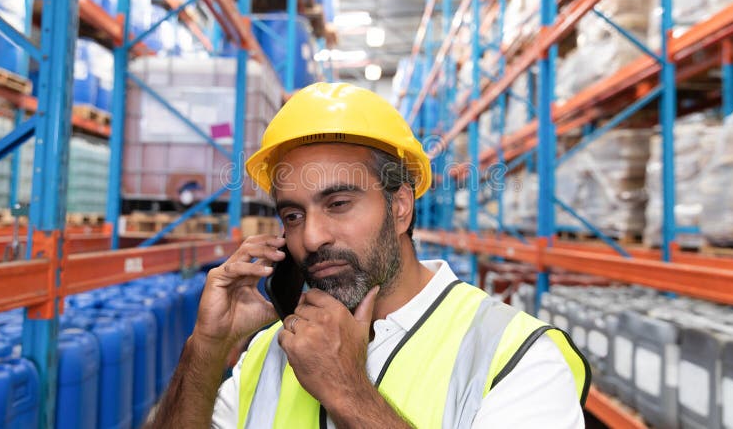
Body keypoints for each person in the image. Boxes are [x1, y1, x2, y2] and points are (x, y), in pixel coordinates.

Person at [148, 82, 590, 428]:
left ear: (399, 207)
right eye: (294, 214)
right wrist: (206, 347)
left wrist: (348, 390)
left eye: (338, 204)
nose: (312, 237)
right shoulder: (270, 351)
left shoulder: (514, 356)